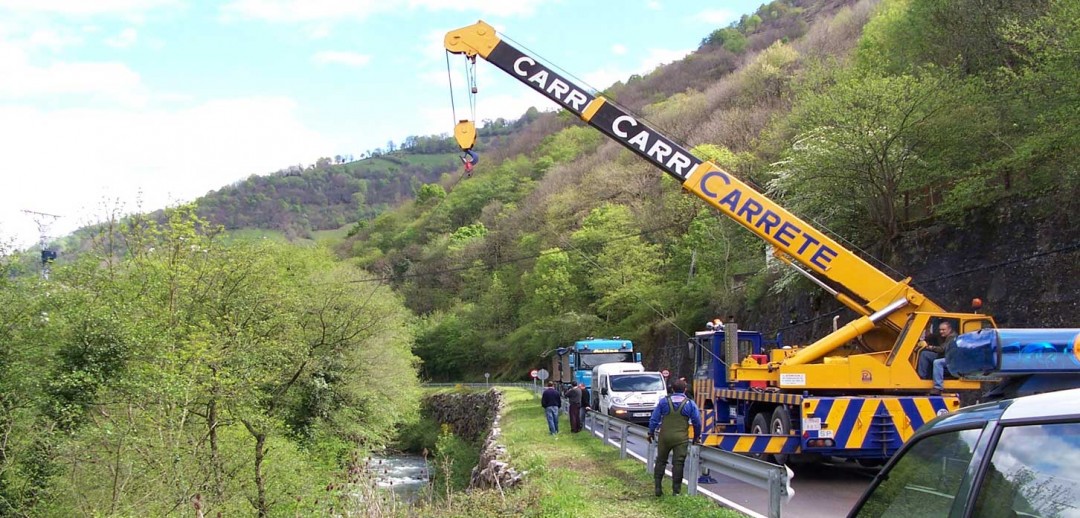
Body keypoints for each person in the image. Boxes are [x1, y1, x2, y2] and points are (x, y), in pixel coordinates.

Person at [647, 379, 702, 497]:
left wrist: (650, 432)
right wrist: (696, 436)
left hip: (664, 437)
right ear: (685, 389)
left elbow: (654, 419)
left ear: (672, 389)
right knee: (678, 463)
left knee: (661, 461)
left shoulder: (663, 402)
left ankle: (658, 487)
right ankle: (676, 491)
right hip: (681, 439)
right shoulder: (690, 404)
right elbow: (697, 422)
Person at [931, 321, 959, 395]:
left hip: (953, 359)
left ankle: (938, 387)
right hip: (946, 356)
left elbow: (942, 349)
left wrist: (930, 347)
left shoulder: (952, 337)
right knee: (925, 354)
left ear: (949, 329)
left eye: (943, 330)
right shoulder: (944, 336)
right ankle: (923, 376)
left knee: (937, 362)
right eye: (940, 330)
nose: (941, 331)